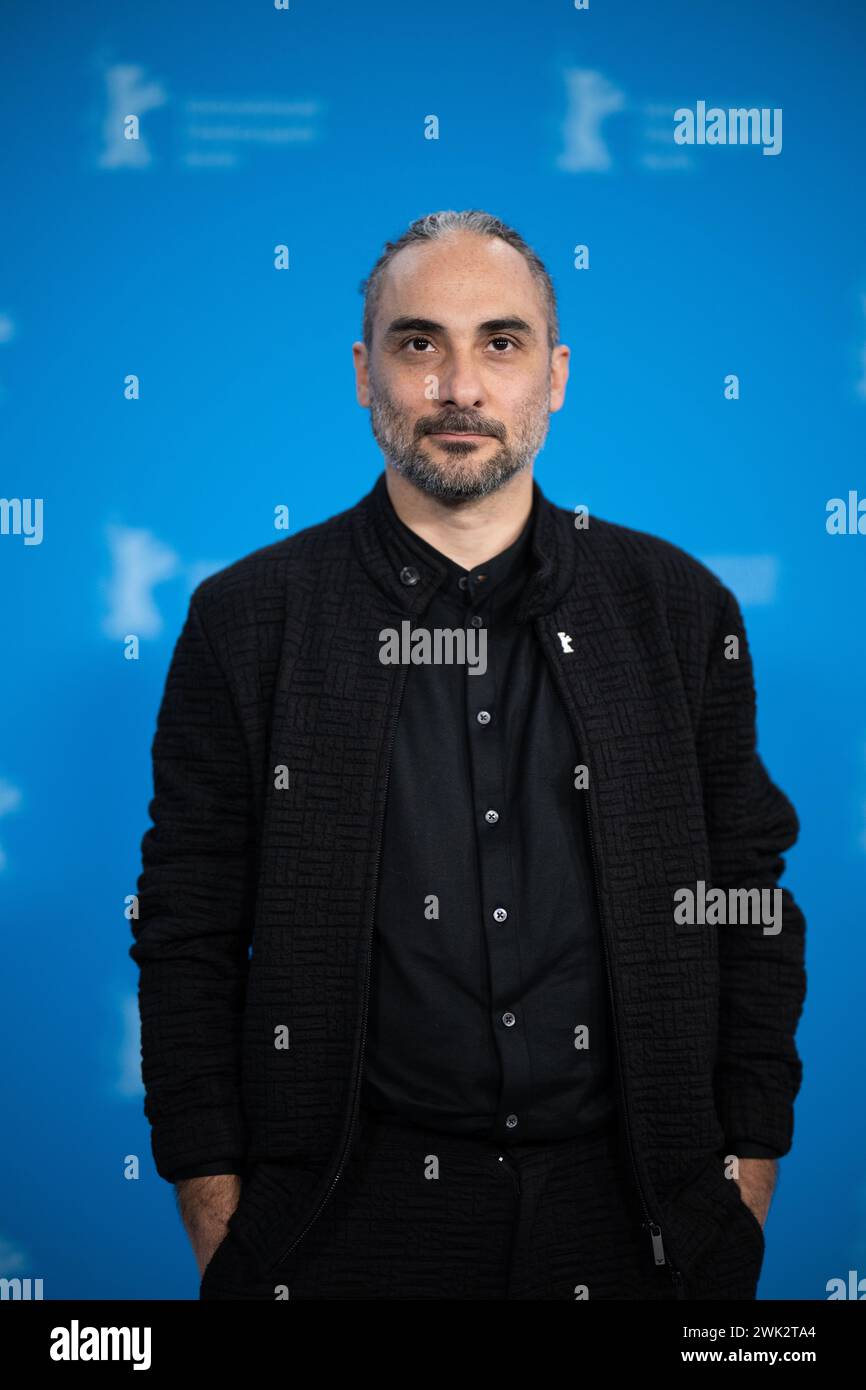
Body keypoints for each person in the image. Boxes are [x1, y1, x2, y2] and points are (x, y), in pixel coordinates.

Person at [131, 210, 806, 1300]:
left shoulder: (678, 610)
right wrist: (217, 1208)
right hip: (340, 1223)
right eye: (416, 344)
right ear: (364, 373)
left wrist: (744, 1172)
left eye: (500, 342)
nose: (458, 387)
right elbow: (188, 922)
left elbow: (744, 897)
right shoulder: (247, 620)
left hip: (640, 1214)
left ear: (554, 375)